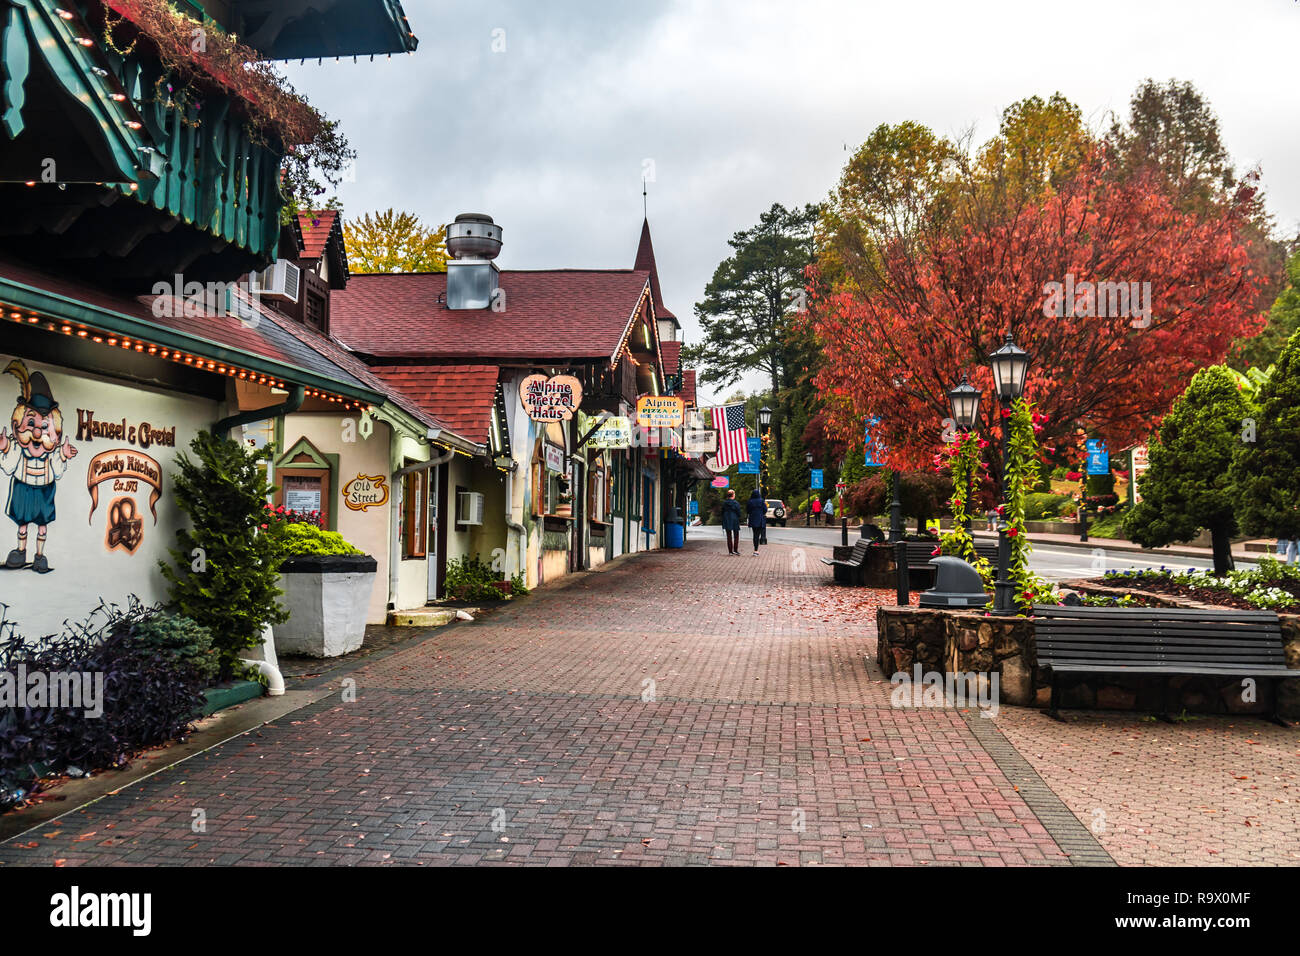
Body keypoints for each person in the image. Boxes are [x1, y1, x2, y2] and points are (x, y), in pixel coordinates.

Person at [720, 489, 743, 555]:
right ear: (733, 495)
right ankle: (735, 550)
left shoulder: (724, 503)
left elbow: (722, 512)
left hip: (727, 519)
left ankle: (730, 551)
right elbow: (739, 512)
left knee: (729, 536)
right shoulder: (736, 503)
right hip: (735, 519)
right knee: (736, 535)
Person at [746, 488, 767, 555]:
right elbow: (765, 509)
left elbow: (748, 511)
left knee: (755, 534)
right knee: (758, 534)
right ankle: (756, 550)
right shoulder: (761, 501)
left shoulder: (750, 501)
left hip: (753, 519)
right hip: (760, 519)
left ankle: (755, 550)